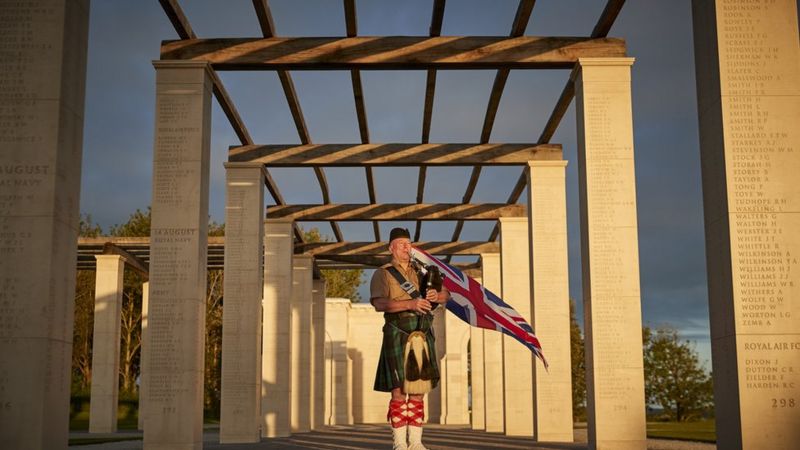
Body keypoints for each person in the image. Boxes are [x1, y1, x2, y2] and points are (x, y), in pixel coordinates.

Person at [370, 227, 450, 450]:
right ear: (391, 248)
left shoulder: (423, 271)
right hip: (398, 331)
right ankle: (399, 444)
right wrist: (410, 304)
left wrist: (436, 295)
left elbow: (447, 294)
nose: (407, 248)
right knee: (399, 390)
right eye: (402, 244)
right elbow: (378, 303)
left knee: (418, 389)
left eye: (409, 243)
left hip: (422, 333)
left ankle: (415, 443)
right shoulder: (383, 273)